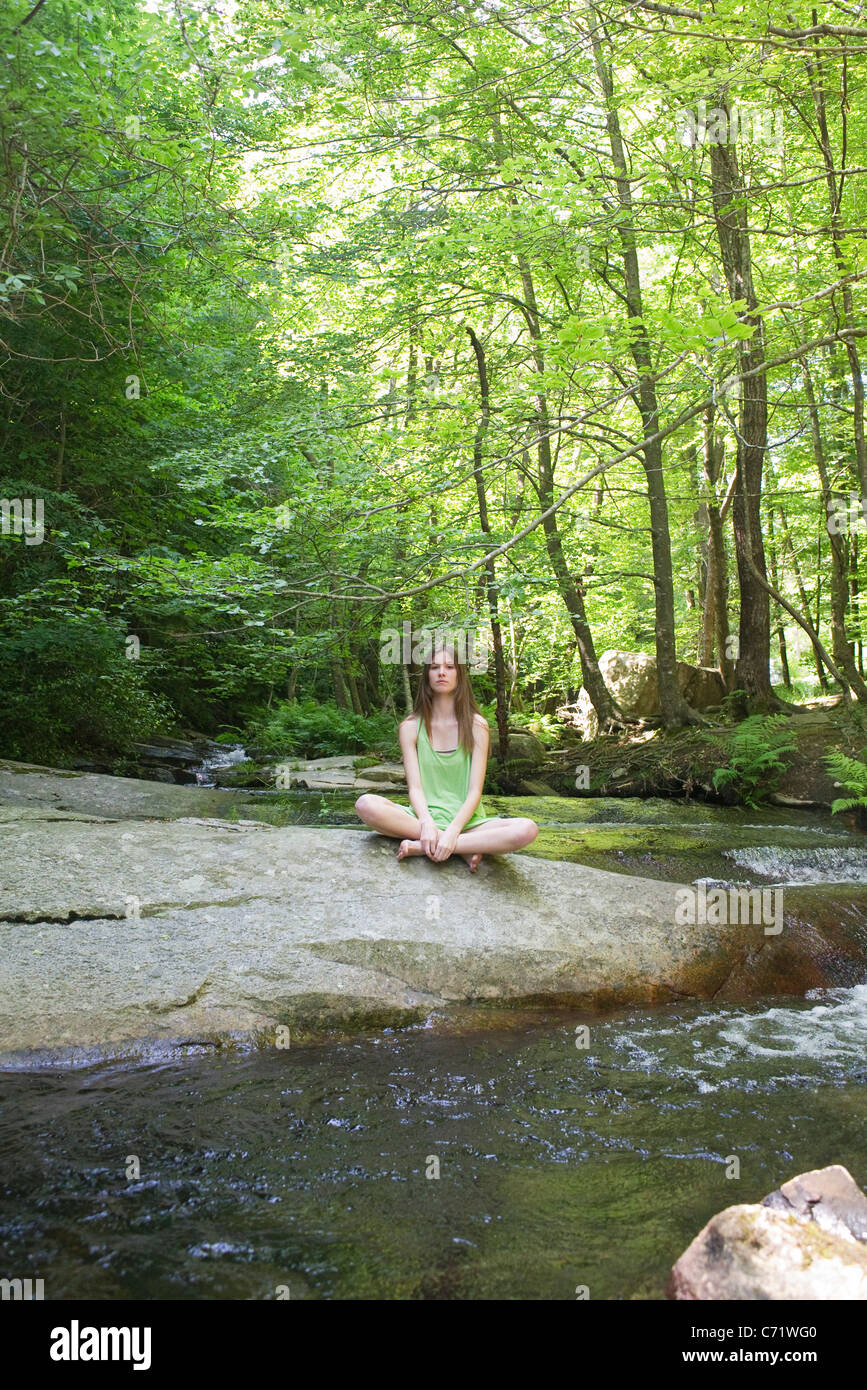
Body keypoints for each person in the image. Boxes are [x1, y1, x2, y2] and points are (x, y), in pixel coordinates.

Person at [354, 644, 538, 871]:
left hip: (468, 824)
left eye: (449, 667)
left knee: (527, 828)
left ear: (459, 676)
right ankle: (462, 848)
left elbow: (474, 793)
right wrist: (426, 822)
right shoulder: (410, 727)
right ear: (427, 677)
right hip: (421, 821)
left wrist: (452, 833)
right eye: (434, 667)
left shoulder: (477, 725)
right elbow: (416, 789)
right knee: (365, 804)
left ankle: (432, 846)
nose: (442, 672)